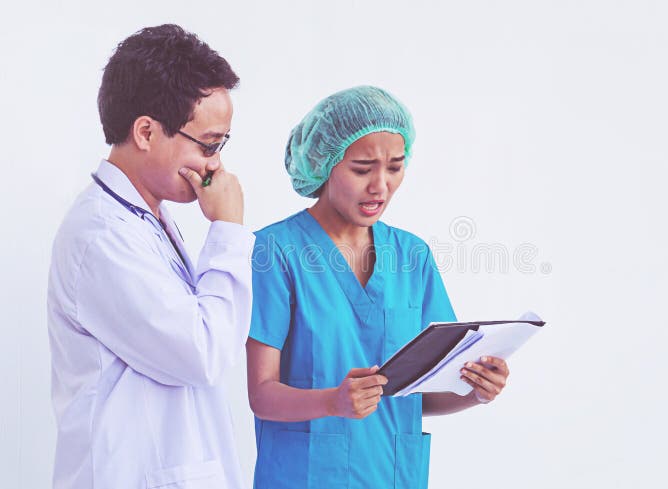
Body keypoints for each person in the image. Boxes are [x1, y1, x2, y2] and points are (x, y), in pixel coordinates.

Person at [247, 86, 512, 489]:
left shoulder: (412, 256)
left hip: (394, 475)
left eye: (395, 167)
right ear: (324, 163)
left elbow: (419, 395)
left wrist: (474, 392)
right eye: (362, 168)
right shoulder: (276, 251)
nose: (380, 186)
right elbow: (261, 395)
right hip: (308, 477)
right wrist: (332, 402)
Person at [47, 24, 253, 489]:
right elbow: (202, 354)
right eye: (208, 144)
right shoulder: (101, 237)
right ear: (145, 131)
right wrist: (228, 231)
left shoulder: (145, 221)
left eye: (222, 145)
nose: (215, 163)